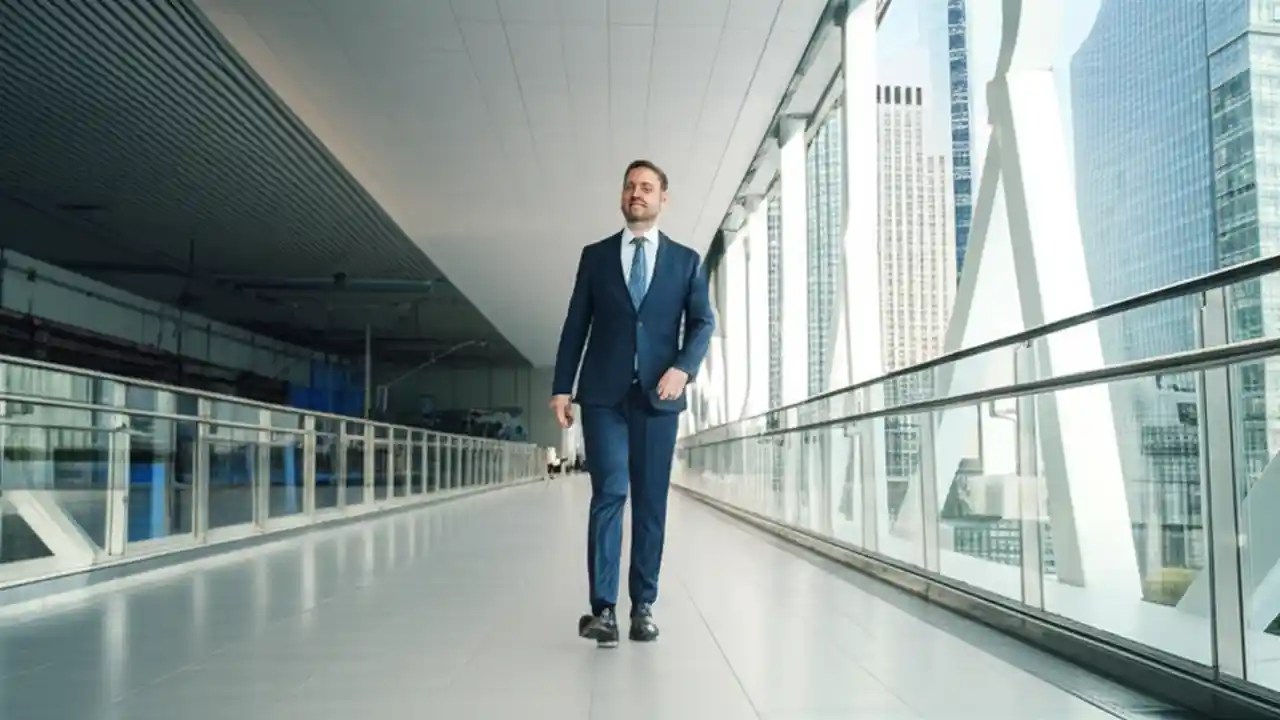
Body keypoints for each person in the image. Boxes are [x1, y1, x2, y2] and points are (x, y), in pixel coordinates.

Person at [550, 160, 715, 648]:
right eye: (630, 187)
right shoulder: (596, 256)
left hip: (658, 399)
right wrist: (562, 386)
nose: (636, 194)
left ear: (664, 198)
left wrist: (683, 368)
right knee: (610, 493)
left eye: (646, 188)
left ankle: (643, 604)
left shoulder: (685, 261)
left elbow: (703, 322)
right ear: (622, 197)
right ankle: (603, 609)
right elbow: (576, 323)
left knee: (649, 504)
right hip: (603, 396)